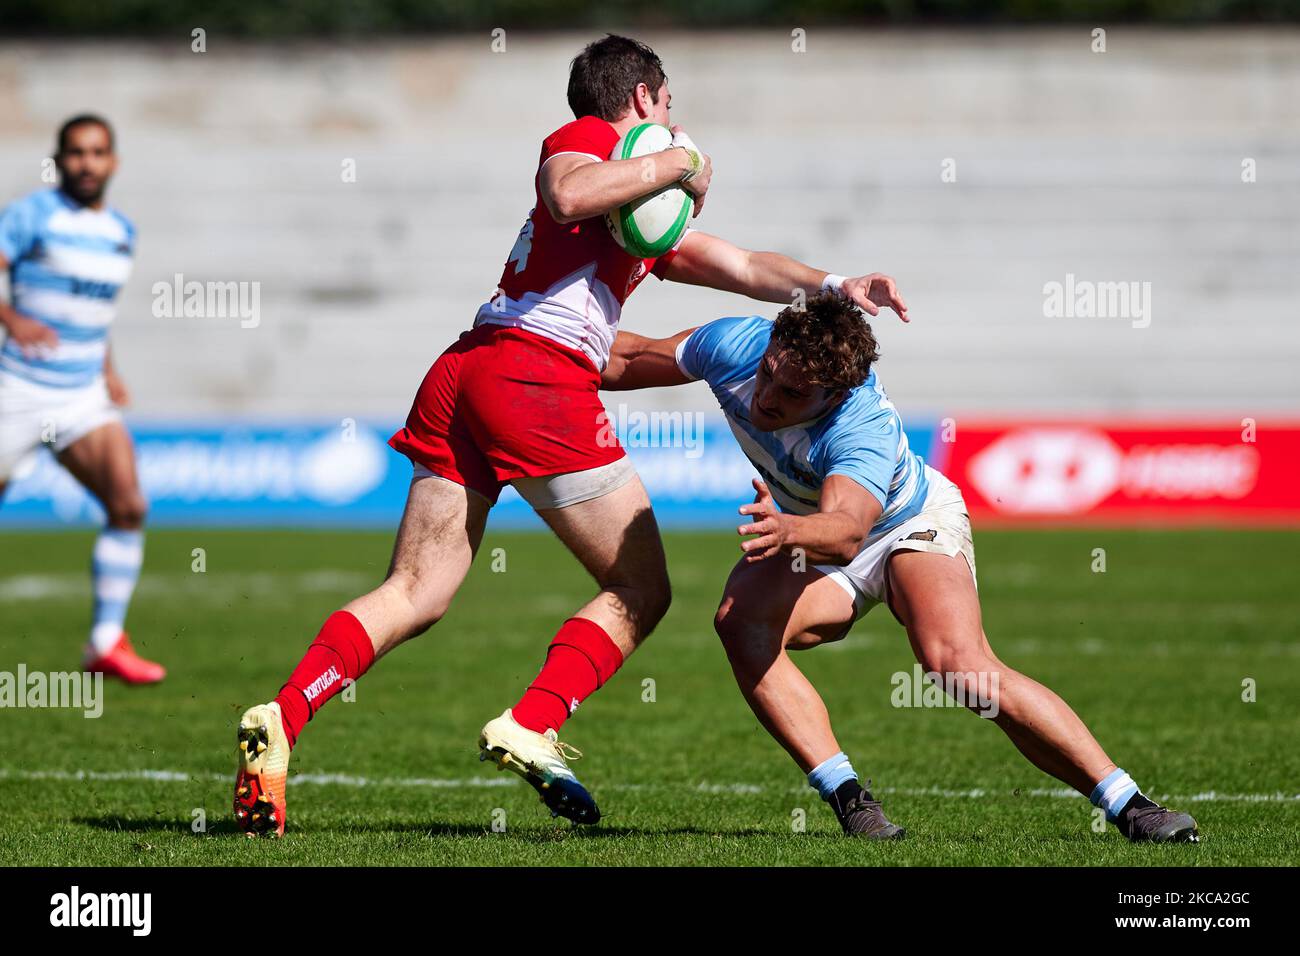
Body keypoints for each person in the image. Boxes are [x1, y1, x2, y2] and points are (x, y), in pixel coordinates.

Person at [232, 34, 908, 838]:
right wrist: (677, 163)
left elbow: (742, 264)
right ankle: (534, 722)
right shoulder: (594, 138)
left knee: (420, 590)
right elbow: (563, 191)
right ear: (646, 99)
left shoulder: (628, 213)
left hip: (469, 369)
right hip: (534, 377)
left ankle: (283, 715)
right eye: (670, 107)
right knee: (642, 588)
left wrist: (835, 283)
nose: (675, 125)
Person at [598, 291, 1199, 843]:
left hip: (904, 524)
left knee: (957, 667)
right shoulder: (736, 344)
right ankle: (849, 798)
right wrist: (533, 352)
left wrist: (786, 529)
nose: (766, 398)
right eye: (768, 374)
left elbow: (847, 530)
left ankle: (1131, 805)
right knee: (743, 624)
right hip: (815, 531)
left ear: (833, 393)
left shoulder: (857, 426)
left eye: (792, 394)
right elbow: (628, 358)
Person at [0, 114, 161, 684]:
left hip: (81, 396)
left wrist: (108, 370)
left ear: (112, 161)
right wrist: (12, 316)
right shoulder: (29, 216)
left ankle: (105, 642)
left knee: (129, 505)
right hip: (16, 388)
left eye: (97, 153)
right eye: (75, 153)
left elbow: (94, 315)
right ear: (59, 159)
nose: (86, 163)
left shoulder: (122, 231)